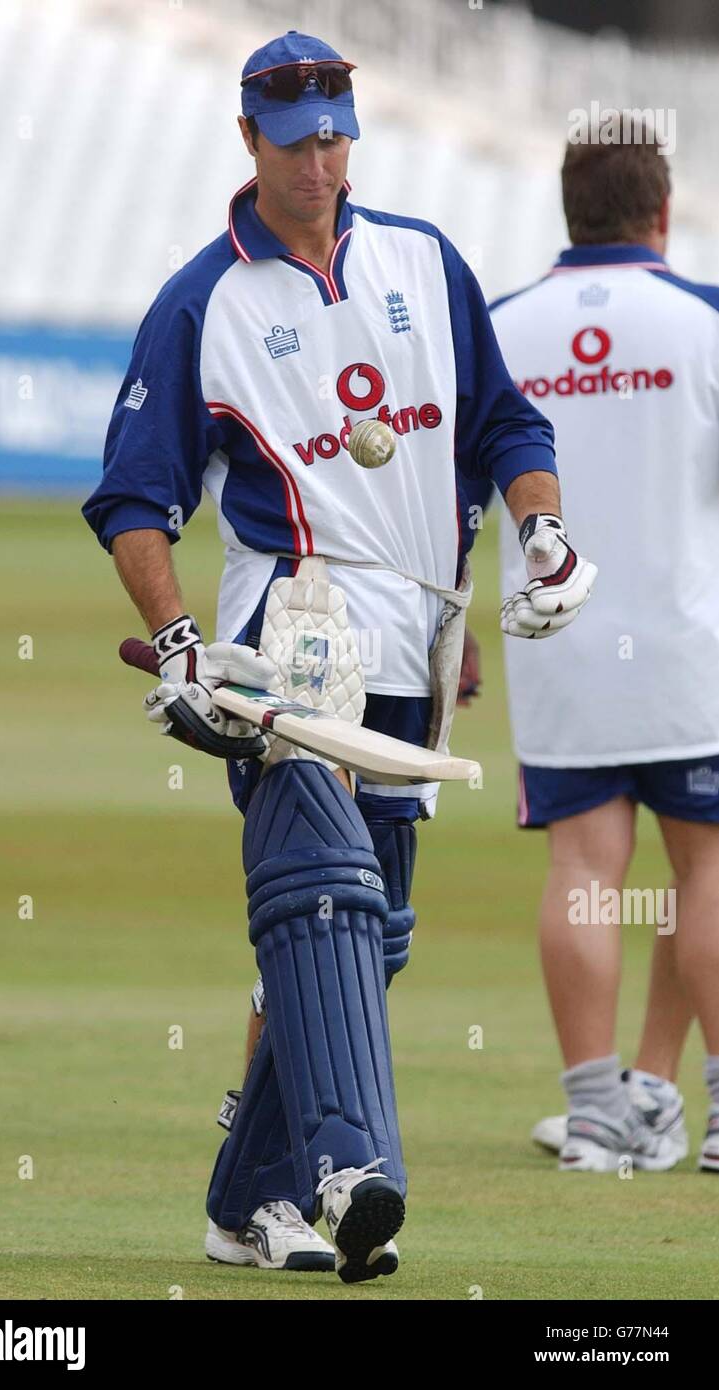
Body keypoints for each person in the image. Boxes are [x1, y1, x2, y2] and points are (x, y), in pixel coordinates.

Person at [82, 29, 595, 1282]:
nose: (319, 162)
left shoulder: (423, 260)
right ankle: (353, 1172)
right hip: (285, 647)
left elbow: (502, 424)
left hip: (412, 652)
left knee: (367, 936)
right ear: (248, 139)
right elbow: (133, 500)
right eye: (295, 139)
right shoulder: (202, 298)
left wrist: (542, 538)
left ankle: (242, 1203)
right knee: (320, 898)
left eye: (334, 137)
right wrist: (190, 648)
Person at [486, 119, 719, 1173]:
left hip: (558, 636)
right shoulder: (701, 316)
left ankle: (598, 1114)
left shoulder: (501, 325)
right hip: (687, 640)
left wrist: (455, 642)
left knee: (585, 868)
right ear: (660, 213)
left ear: (568, 212)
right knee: (702, 867)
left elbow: (457, 493)